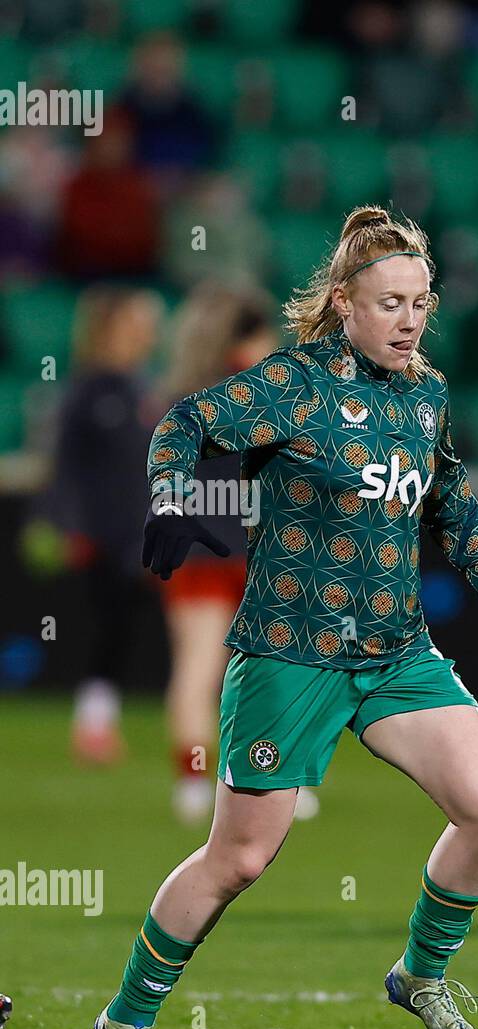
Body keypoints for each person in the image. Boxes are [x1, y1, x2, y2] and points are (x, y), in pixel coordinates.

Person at [93, 205, 478, 1029]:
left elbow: (448, 493)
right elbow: (183, 423)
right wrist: (167, 497)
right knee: (238, 858)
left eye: (422, 302)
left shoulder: (427, 391)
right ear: (345, 303)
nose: (410, 320)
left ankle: (421, 976)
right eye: (390, 303)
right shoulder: (295, 383)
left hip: (394, 652)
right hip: (288, 651)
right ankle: (125, 1018)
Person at [152, 281, 298, 825]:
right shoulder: (264, 387)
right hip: (257, 550)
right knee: (274, 670)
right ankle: (273, 780)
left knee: (197, 669)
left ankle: (192, 782)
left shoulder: (178, 394)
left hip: (197, 549)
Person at [22, 284, 163, 763]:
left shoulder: (145, 390)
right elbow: (64, 468)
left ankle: (101, 722)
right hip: (99, 535)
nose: (145, 335)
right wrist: (66, 525)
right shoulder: (85, 394)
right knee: (105, 627)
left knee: (123, 629)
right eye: (133, 326)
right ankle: (93, 725)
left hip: (138, 534)